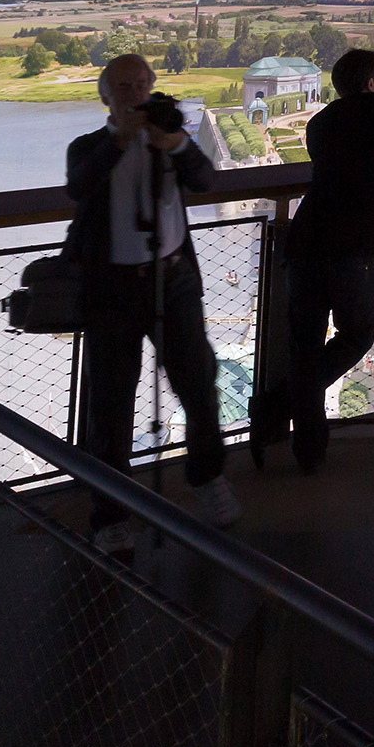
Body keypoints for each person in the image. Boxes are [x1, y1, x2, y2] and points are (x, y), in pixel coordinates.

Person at [66, 55, 237, 550]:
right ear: (106, 96)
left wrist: (177, 143)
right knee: (111, 404)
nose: (135, 94)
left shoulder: (169, 141)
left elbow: (206, 180)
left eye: (142, 84)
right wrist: (120, 142)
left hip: (175, 281)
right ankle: (112, 514)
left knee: (199, 385)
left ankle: (208, 479)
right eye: (124, 86)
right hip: (111, 289)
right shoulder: (88, 146)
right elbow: (78, 187)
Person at [283, 50, 374, 473]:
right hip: (354, 244)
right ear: (371, 80)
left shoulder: (319, 122)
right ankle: (281, 403)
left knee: (304, 345)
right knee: (359, 332)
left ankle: (307, 451)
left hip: (305, 239)